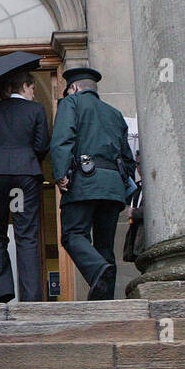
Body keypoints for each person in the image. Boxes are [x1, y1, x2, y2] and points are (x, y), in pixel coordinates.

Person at [50, 66, 136, 301]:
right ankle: (104, 303)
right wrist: (121, 186)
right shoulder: (114, 113)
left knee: (73, 235)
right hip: (113, 187)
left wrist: (60, 173)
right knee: (105, 248)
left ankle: (97, 270)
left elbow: (62, 140)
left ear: (74, 88)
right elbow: (128, 157)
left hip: (83, 182)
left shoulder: (71, 103)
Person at [0, 71, 49, 302]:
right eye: (32, 88)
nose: (33, 93)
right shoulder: (36, 109)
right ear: (25, 87)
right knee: (26, 234)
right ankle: (31, 296)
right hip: (24, 175)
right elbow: (41, 145)